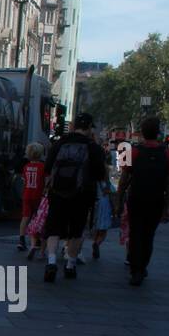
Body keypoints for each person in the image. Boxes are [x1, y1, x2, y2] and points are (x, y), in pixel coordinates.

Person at [41, 112, 108, 282]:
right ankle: (70, 265)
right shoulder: (93, 147)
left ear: (73, 126)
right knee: (76, 230)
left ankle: (51, 262)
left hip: (57, 192)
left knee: (54, 227)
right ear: (89, 128)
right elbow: (100, 173)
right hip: (82, 194)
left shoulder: (59, 143)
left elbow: (47, 167)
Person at [118, 116, 169, 287]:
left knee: (135, 233)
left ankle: (135, 268)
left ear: (141, 132)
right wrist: (168, 206)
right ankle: (142, 266)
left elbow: (123, 178)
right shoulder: (168, 154)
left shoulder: (131, 151)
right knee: (149, 235)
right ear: (158, 133)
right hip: (156, 199)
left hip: (136, 197)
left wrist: (119, 199)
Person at [17, 142, 46, 257]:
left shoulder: (26, 167)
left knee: (25, 217)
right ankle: (36, 239)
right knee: (37, 218)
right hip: (38, 195)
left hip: (27, 194)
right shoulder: (43, 167)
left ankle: (21, 239)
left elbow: (24, 181)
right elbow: (46, 180)